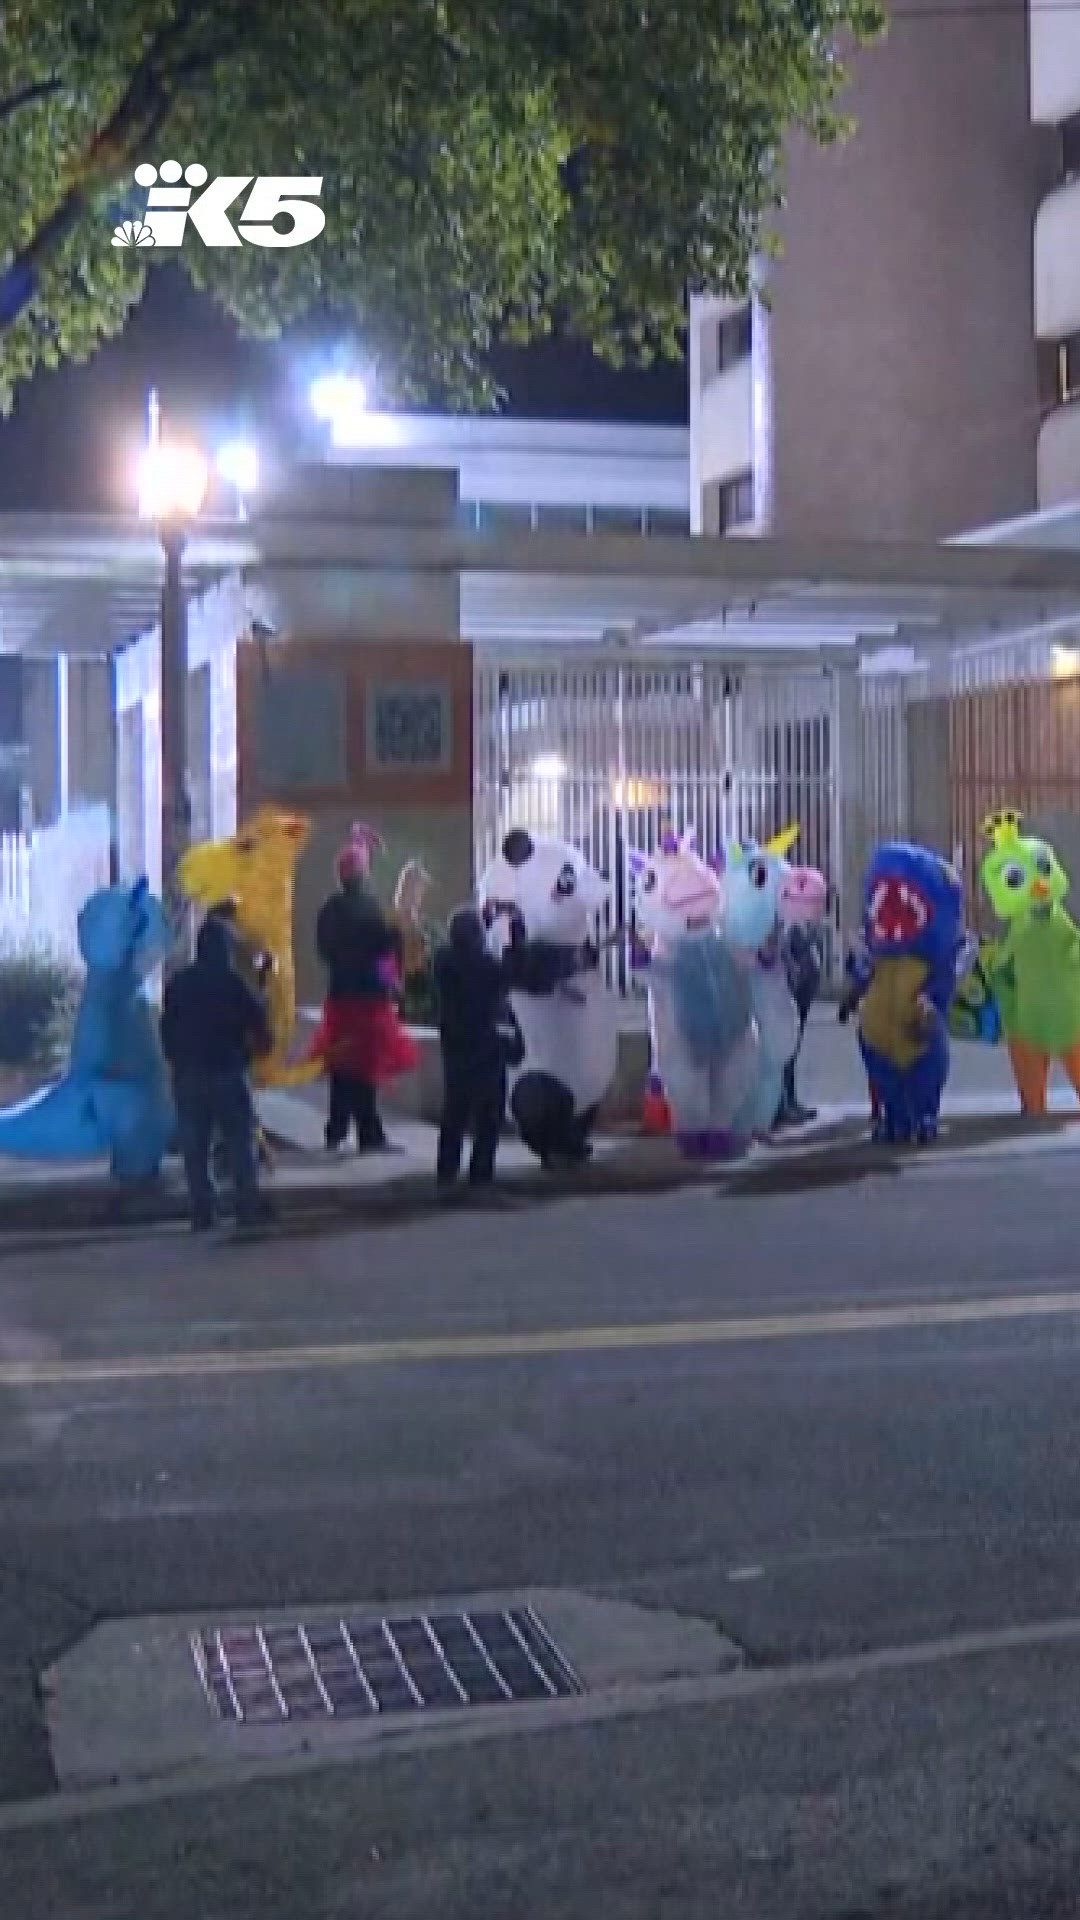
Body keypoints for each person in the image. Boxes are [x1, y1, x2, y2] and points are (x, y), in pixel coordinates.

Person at [159, 916, 272, 1233]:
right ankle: (246, 1209)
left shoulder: (179, 983)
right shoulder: (233, 983)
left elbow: (166, 1027)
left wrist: (176, 1060)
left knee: (195, 1148)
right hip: (228, 1070)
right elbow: (258, 1022)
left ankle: (203, 1212)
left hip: (189, 1074)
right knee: (239, 1142)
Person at [314, 828, 410, 1152]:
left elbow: (324, 951)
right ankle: (370, 1134)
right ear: (363, 875)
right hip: (369, 1000)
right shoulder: (371, 909)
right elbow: (384, 953)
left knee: (341, 1064)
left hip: (339, 997)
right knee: (366, 1067)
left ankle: (336, 1130)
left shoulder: (329, 910)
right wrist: (393, 981)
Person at [433, 906, 525, 1196]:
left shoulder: (442, 962)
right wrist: (515, 929)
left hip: (455, 1044)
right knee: (488, 1115)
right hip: (485, 1046)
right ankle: (480, 1175)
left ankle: (446, 1173)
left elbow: (463, 946)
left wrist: (482, 920)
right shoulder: (489, 968)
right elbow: (514, 971)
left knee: (455, 1113)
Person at [774, 919, 823, 1127]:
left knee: (792, 1050)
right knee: (785, 1052)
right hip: (790, 995)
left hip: (802, 995)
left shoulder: (804, 923)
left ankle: (789, 1101)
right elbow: (787, 956)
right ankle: (782, 1105)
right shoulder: (791, 925)